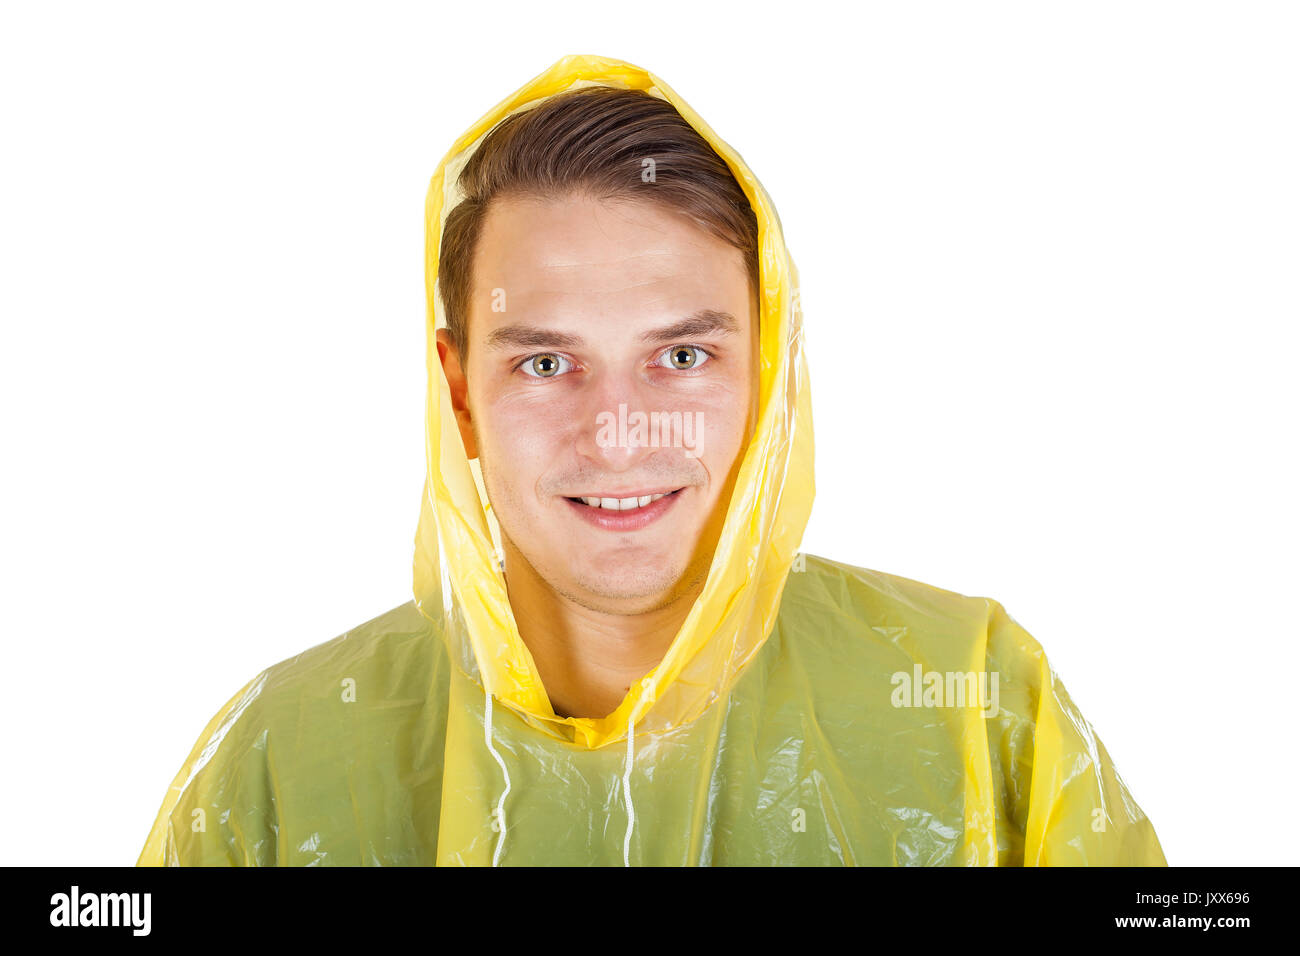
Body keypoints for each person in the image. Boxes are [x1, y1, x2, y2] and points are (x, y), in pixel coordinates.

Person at [138, 54, 1166, 866]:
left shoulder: (972, 701)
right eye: (546, 361)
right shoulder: (285, 763)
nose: (620, 431)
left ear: (769, 372)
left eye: (681, 355)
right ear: (460, 391)